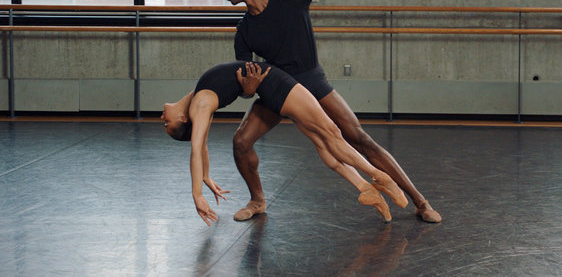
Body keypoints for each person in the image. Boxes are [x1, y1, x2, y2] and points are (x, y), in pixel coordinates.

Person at [222, 0, 442, 223]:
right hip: (278, 90)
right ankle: (257, 200)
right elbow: (246, 77)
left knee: (359, 139)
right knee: (241, 142)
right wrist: (248, 90)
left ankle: (420, 201)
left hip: (311, 82)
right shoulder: (244, 31)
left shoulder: (291, 0)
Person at [162, 61, 407, 225]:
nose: (163, 119)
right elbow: (197, 148)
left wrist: (206, 177)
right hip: (277, 87)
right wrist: (197, 194)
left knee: (323, 143)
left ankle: (366, 189)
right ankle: (379, 177)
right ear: (183, 119)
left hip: (272, 91)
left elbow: (202, 144)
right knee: (330, 135)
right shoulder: (200, 104)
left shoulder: (197, 102)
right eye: (167, 124)